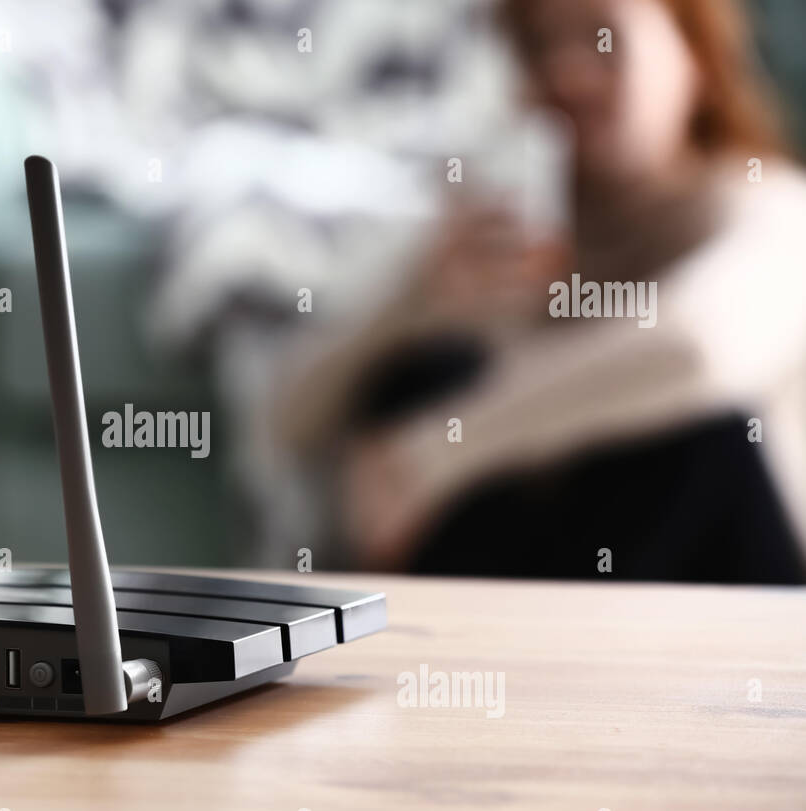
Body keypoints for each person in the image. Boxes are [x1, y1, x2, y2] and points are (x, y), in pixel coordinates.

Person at [276, 0, 806, 583]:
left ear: (697, 61)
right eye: (540, 47)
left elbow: (697, 349)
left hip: (741, 610)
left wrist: (430, 456)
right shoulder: (514, 232)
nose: (568, 73)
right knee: (428, 377)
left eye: (603, 40)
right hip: (573, 589)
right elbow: (288, 420)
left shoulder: (770, 208)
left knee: (700, 429)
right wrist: (413, 301)